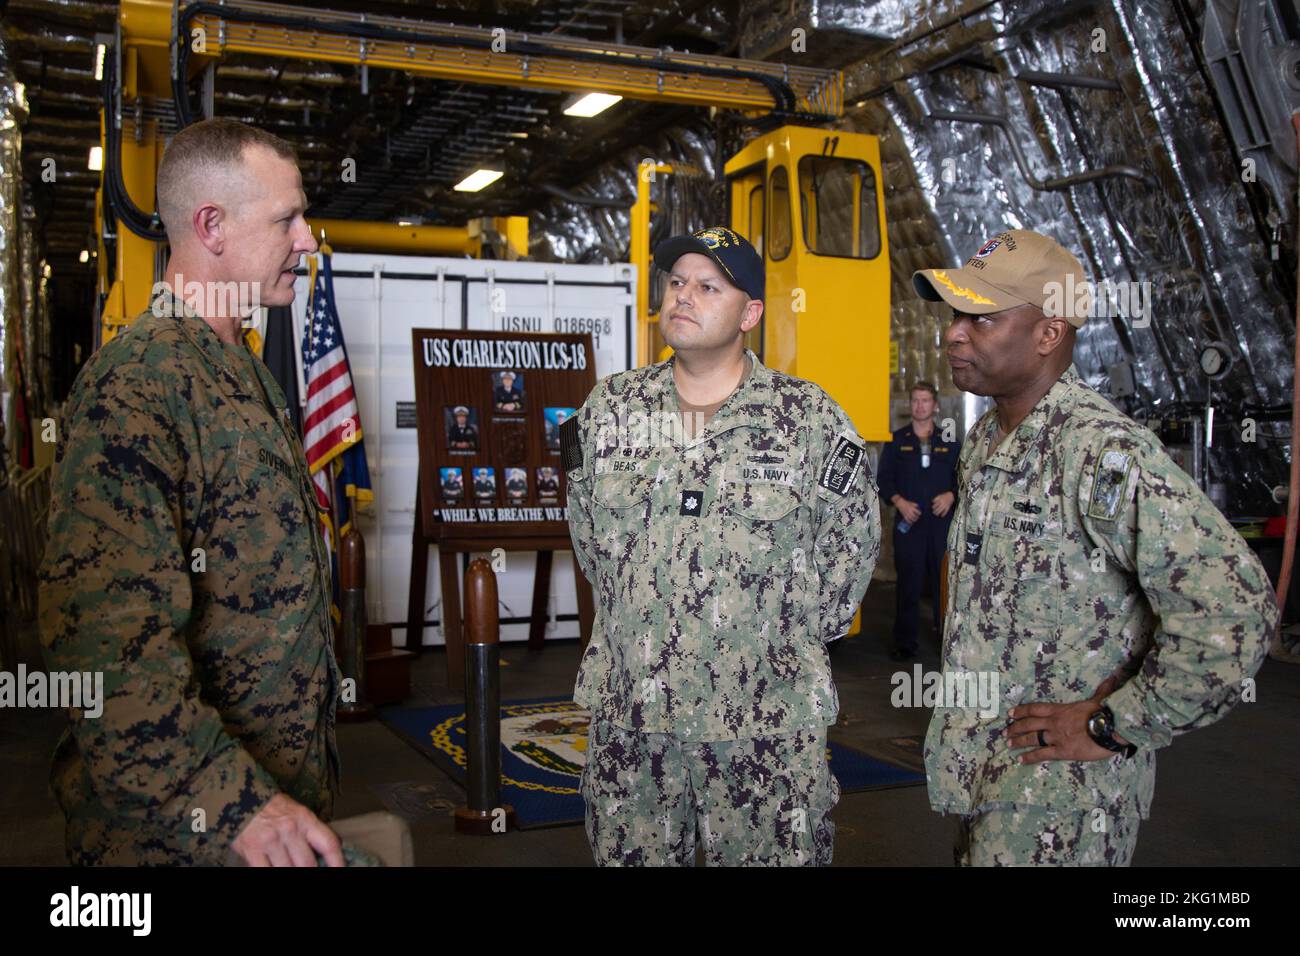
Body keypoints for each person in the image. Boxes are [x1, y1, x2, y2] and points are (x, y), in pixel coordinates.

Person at [39, 118, 352, 866]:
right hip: (178, 836)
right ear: (211, 225)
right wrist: (237, 805)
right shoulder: (138, 386)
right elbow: (104, 649)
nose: (307, 241)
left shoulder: (239, 372)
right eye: (287, 219)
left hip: (264, 816)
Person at [914, 228, 1275, 866]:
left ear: (1049, 333)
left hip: (1061, 804)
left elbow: (1235, 611)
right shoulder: (987, 441)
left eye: (982, 317)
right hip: (987, 780)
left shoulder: (1101, 450)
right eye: (955, 315)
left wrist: (1117, 721)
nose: (954, 332)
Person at [563, 226, 880, 866]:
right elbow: (590, 541)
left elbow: (851, 550)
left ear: (751, 313)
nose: (684, 296)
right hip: (634, 719)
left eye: (709, 286)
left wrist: (773, 647)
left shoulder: (807, 419)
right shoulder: (611, 410)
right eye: (676, 282)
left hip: (764, 724)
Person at [877, 381, 960, 660]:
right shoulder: (897, 441)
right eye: (915, 400)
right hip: (909, 524)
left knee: (943, 585)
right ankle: (904, 643)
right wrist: (899, 501)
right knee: (908, 584)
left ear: (935, 406)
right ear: (909, 404)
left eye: (925, 400)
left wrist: (951, 495)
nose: (920, 406)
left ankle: (945, 642)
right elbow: (883, 479)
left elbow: (964, 479)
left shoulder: (949, 442)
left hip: (940, 525)